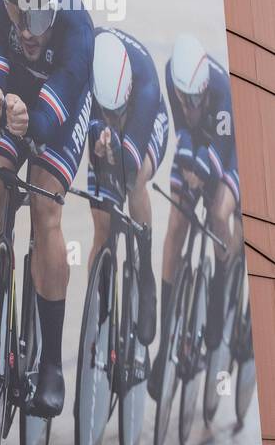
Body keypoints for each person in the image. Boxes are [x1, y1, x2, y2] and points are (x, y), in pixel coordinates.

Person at [0, 0, 93, 417]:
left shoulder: (77, 27)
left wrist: (30, 125)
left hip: (60, 103)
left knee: (45, 207)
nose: (31, 32)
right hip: (18, 89)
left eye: (40, 19)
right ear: (4, 1)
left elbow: (47, 121)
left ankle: (51, 365)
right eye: (20, 19)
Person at [149, 33, 243, 400]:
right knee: (177, 221)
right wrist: (189, 167)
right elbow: (183, 128)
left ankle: (220, 288)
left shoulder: (221, 92)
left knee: (219, 212)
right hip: (197, 140)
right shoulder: (174, 73)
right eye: (184, 99)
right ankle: (164, 339)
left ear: (205, 90)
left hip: (229, 148)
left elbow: (219, 153)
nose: (189, 105)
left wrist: (199, 172)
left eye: (195, 100)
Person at [86, 28, 168, 343]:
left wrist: (117, 145)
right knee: (102, 226)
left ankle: (145, 271)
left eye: (116, 110)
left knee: (135, 182)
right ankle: (98, 304)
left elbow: (130, 165)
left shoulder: (145, 80)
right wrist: (100, 137)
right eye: (110, 110)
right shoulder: (85, 63)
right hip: (102, 120)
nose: (113, 116)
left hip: (145, 122)